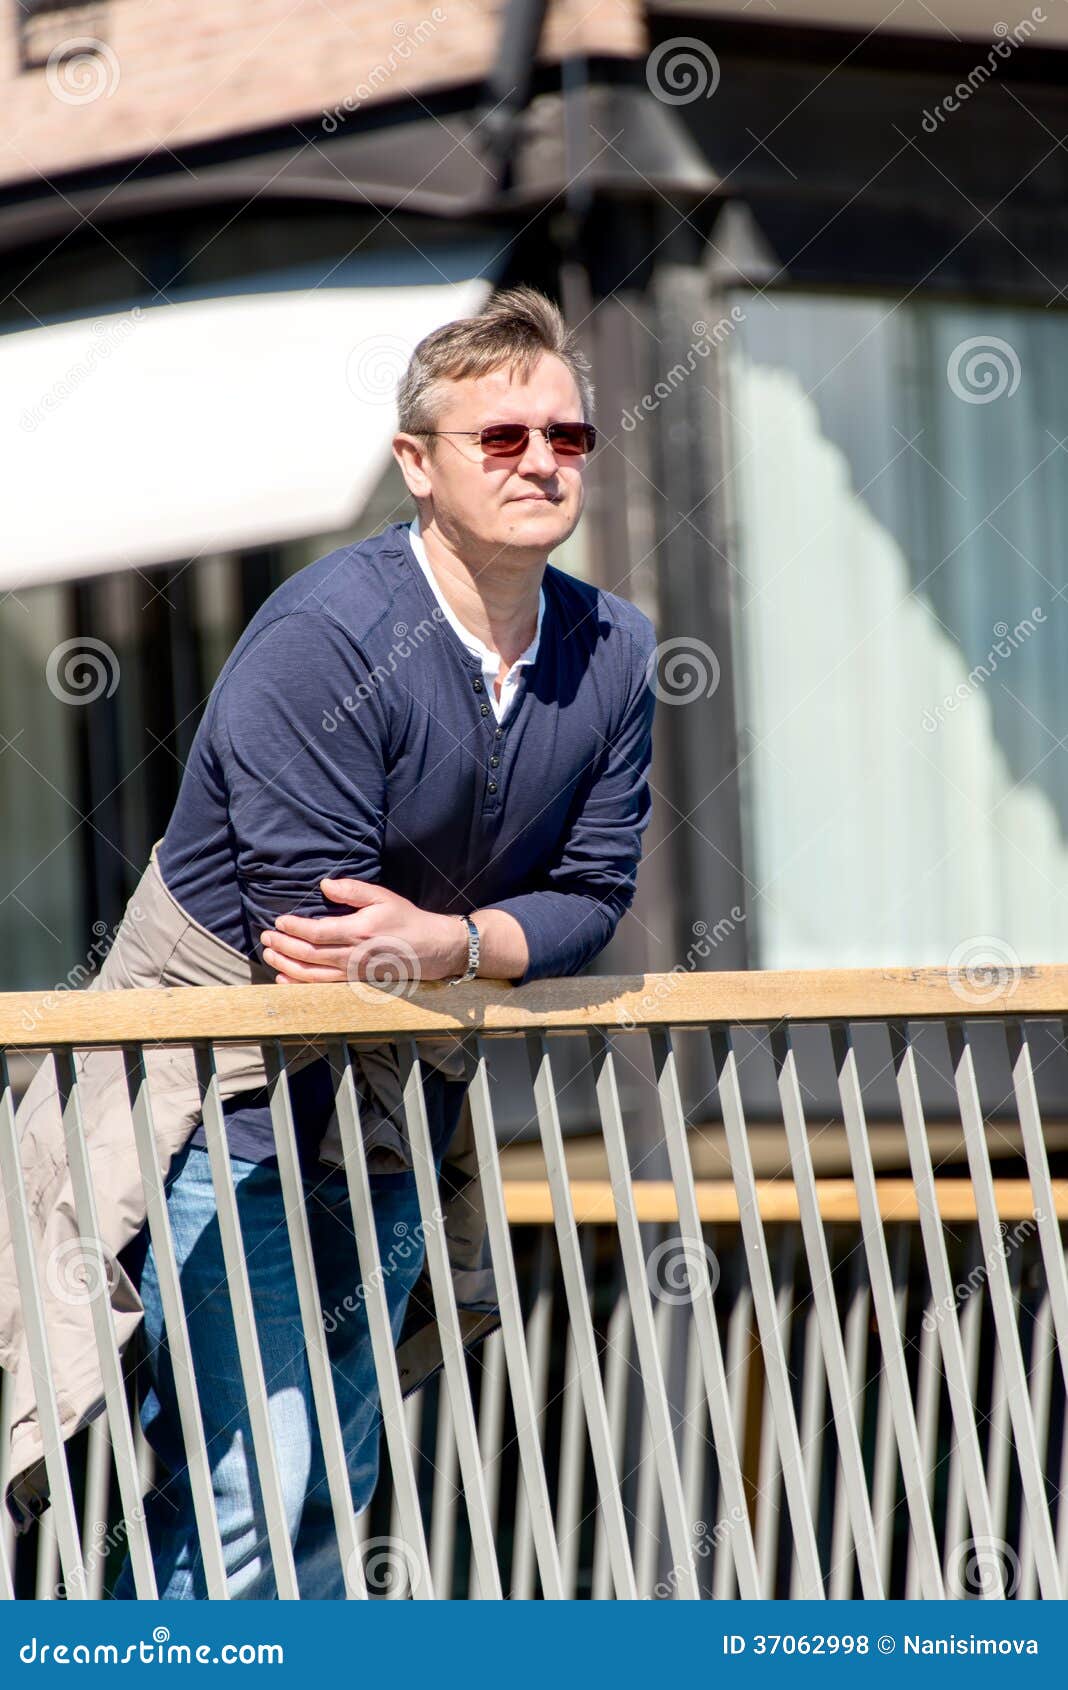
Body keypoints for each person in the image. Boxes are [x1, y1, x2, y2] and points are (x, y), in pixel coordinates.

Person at [110, 283, 658, 1597]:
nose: (541, 461)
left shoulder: (616, 646)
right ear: (417, 462)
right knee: (255, 1492)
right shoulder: (327, 633)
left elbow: (595, 897)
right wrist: (480, 942)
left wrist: (452, 940)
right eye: (502, 437)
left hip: (395, 1113)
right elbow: (317, 933)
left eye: (567, 436)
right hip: (223, 1117)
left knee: (321, 1492)